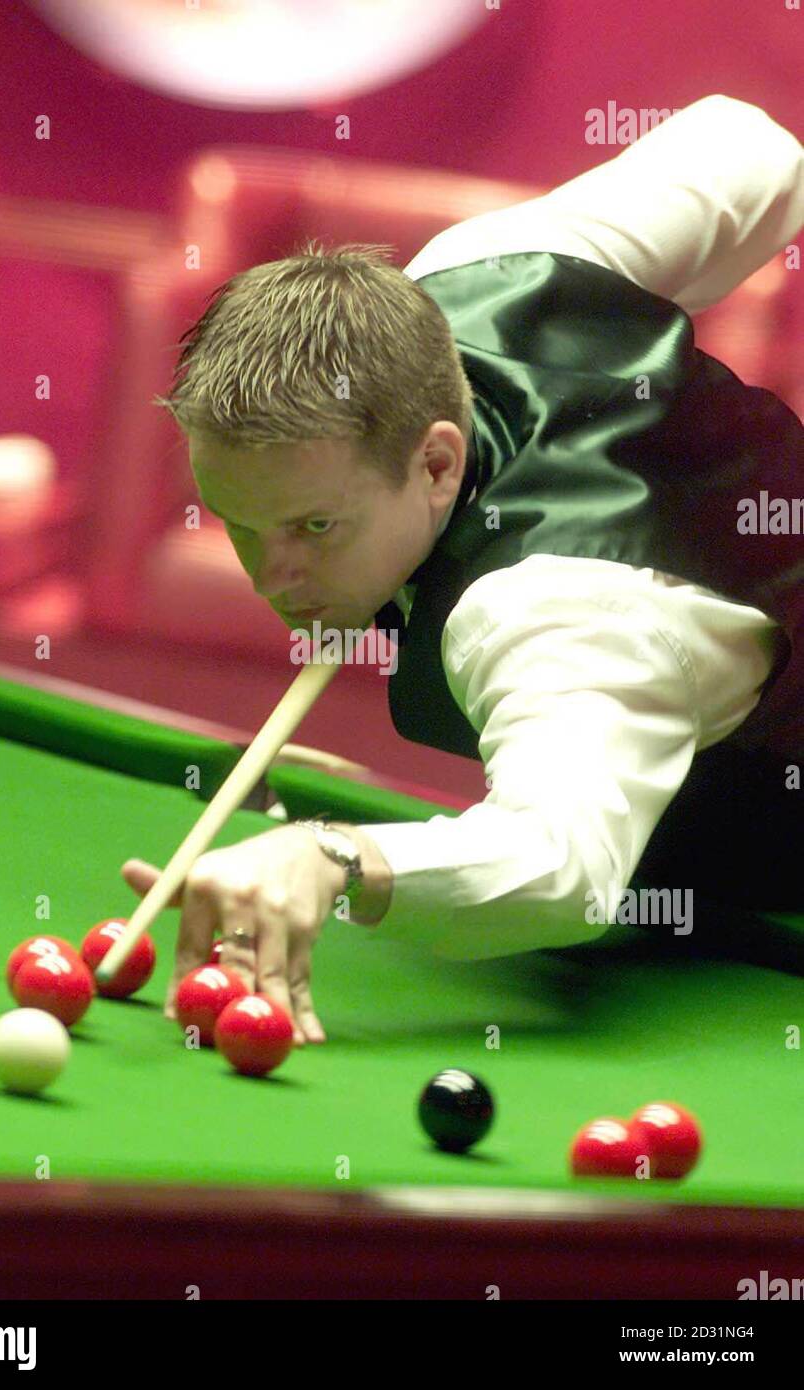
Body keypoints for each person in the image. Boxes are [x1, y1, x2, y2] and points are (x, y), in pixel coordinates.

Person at [123, 95, 804, 1045]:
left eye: (315, 525)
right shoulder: (477, 276)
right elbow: (750, 146)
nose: (273, 577)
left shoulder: (554, 610)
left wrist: (332, 859)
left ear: (437, 462)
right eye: (240, 525)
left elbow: (560, 866)